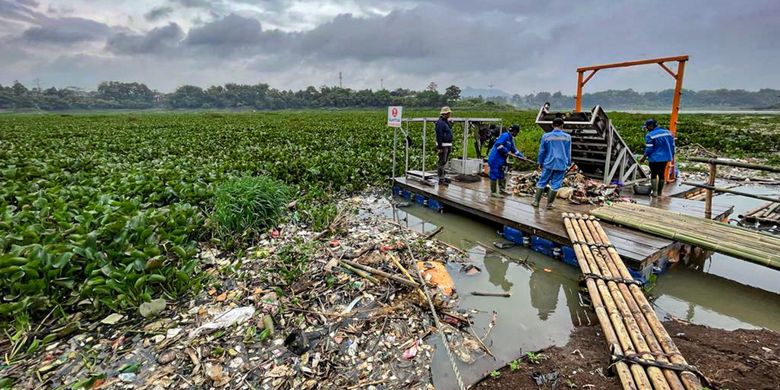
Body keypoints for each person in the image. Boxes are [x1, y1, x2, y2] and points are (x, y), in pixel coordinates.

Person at [532, 117, 571, 209]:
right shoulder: (567, 137)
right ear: (562, 125)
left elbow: (542, 151)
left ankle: (536, 202)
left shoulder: (546, 136)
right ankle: (549, 204)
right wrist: (568, 163)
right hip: (561, 163)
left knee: (542, 182)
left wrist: (540, 162)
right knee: (556, 184)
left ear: (552, 125)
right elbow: (568, 151)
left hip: (548, 162)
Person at [639, 118, 675, 197]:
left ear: (651, 126)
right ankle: (659, 193)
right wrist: (672, 154)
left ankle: (654, 192)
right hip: (666, 157)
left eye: (647, 127)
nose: (647, 129)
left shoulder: (650, 135)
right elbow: (673, 146)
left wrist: (644, 157)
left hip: (655, 158)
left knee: (654, 173)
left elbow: (649, 149)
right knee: (661, 174)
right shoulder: (668, 133)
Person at [487, 124, 523, 197]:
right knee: (494, 174)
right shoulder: (505, 135)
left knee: (501, 174)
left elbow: (514, 150)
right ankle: (493, 192)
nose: (517, 134)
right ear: (514, 131)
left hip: (501, 160)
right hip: (495, 159)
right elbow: (498, 144)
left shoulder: (510, 139)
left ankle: (502, 190)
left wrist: (521, 156)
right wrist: (506, 151)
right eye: (517, 132)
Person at [435, 106, 453, 185]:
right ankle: (441, 179)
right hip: (443, 145)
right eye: (448, 113)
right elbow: (439, 135)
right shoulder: (440, 123)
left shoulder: (445, 122)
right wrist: (440, 147)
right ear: (445, 113)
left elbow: (448, 130)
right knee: (442, 161)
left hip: (447, 144)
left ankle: (443, 177)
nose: (449, 114)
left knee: (444, 161)